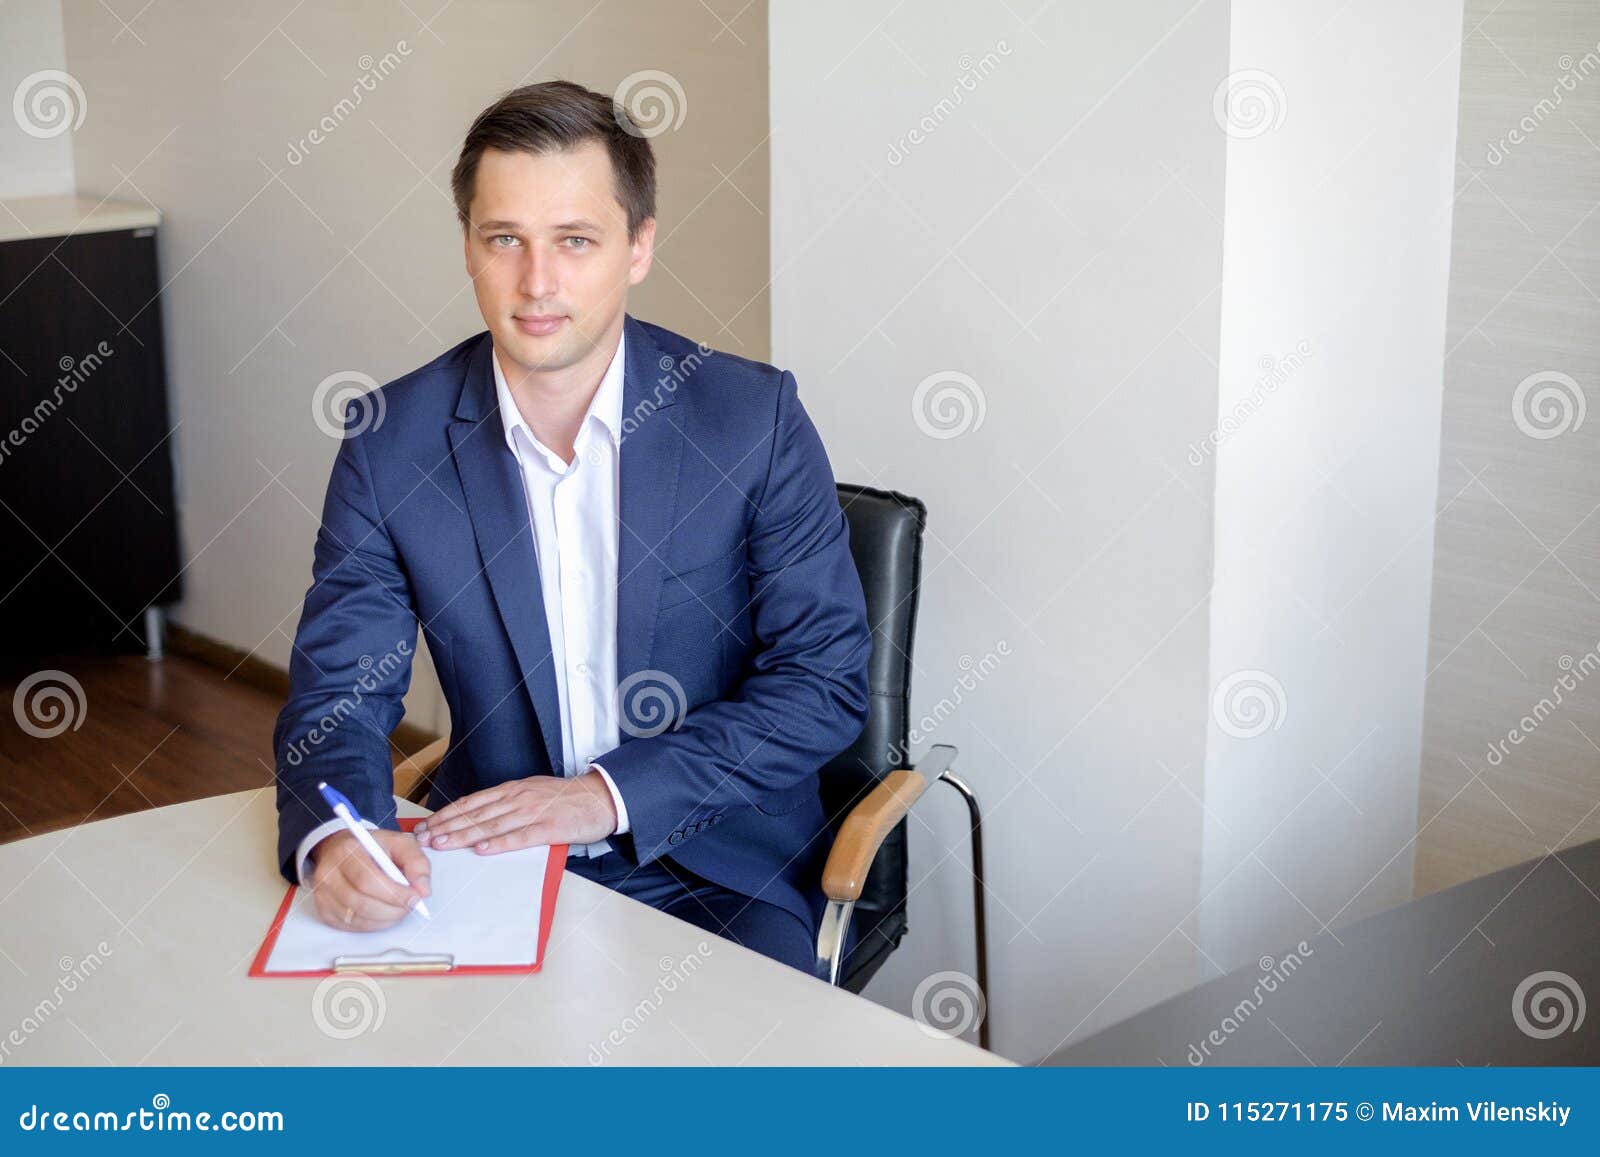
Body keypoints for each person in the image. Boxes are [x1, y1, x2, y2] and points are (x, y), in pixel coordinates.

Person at [271, 80, 871, 976]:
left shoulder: (751, 420)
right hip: (486, 863)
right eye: (503, 238)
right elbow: (340, 697)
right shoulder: (389, 444)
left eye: (575, 241)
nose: (537, 281)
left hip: (717, 872)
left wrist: (606, 796)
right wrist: (340, 834)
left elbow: (823, 683)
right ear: (469, 249)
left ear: (639, 247)